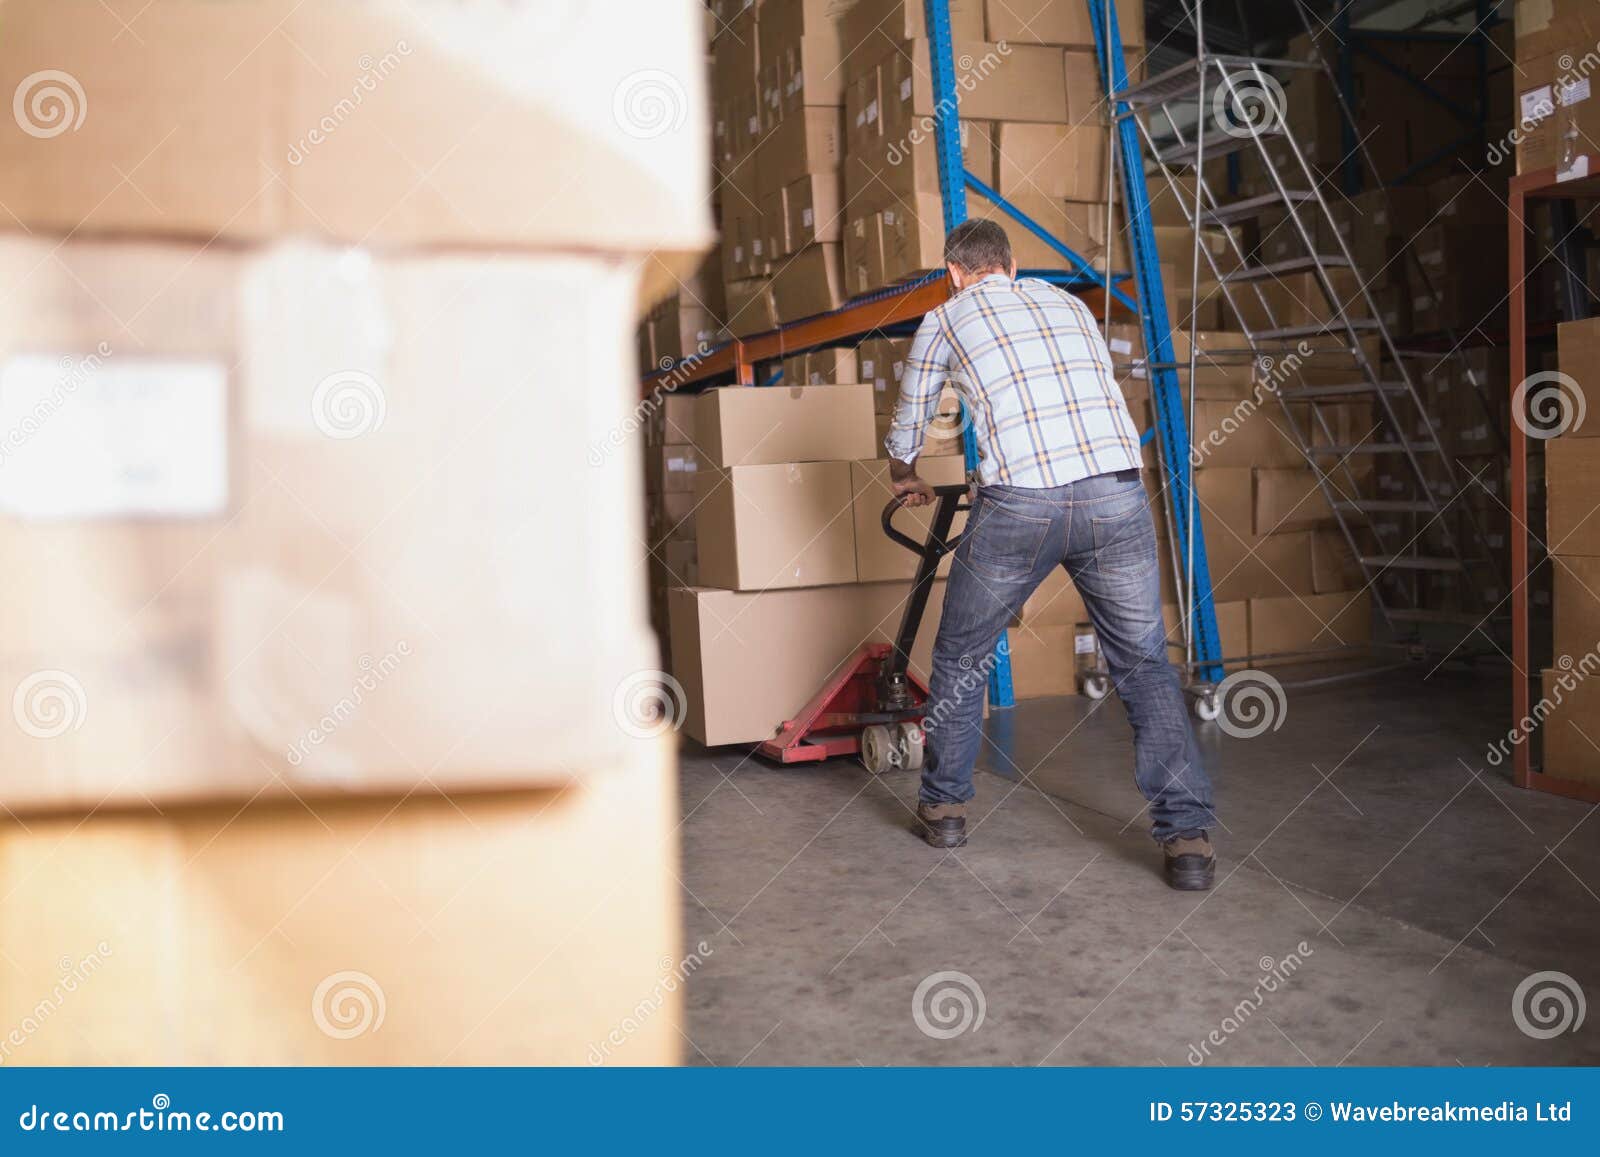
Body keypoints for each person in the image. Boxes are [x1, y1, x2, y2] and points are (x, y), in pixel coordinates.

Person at [885, 219, 1217, 891]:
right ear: (1011, 265)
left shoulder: (944, 320)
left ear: (955, 273)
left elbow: (910, 418)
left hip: (1022, 503)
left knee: (962, 652)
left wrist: (903, 473)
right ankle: (1188, 841)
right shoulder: (1068, 304)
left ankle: (945, 806)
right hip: (1117, 493)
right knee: (1145, 664)